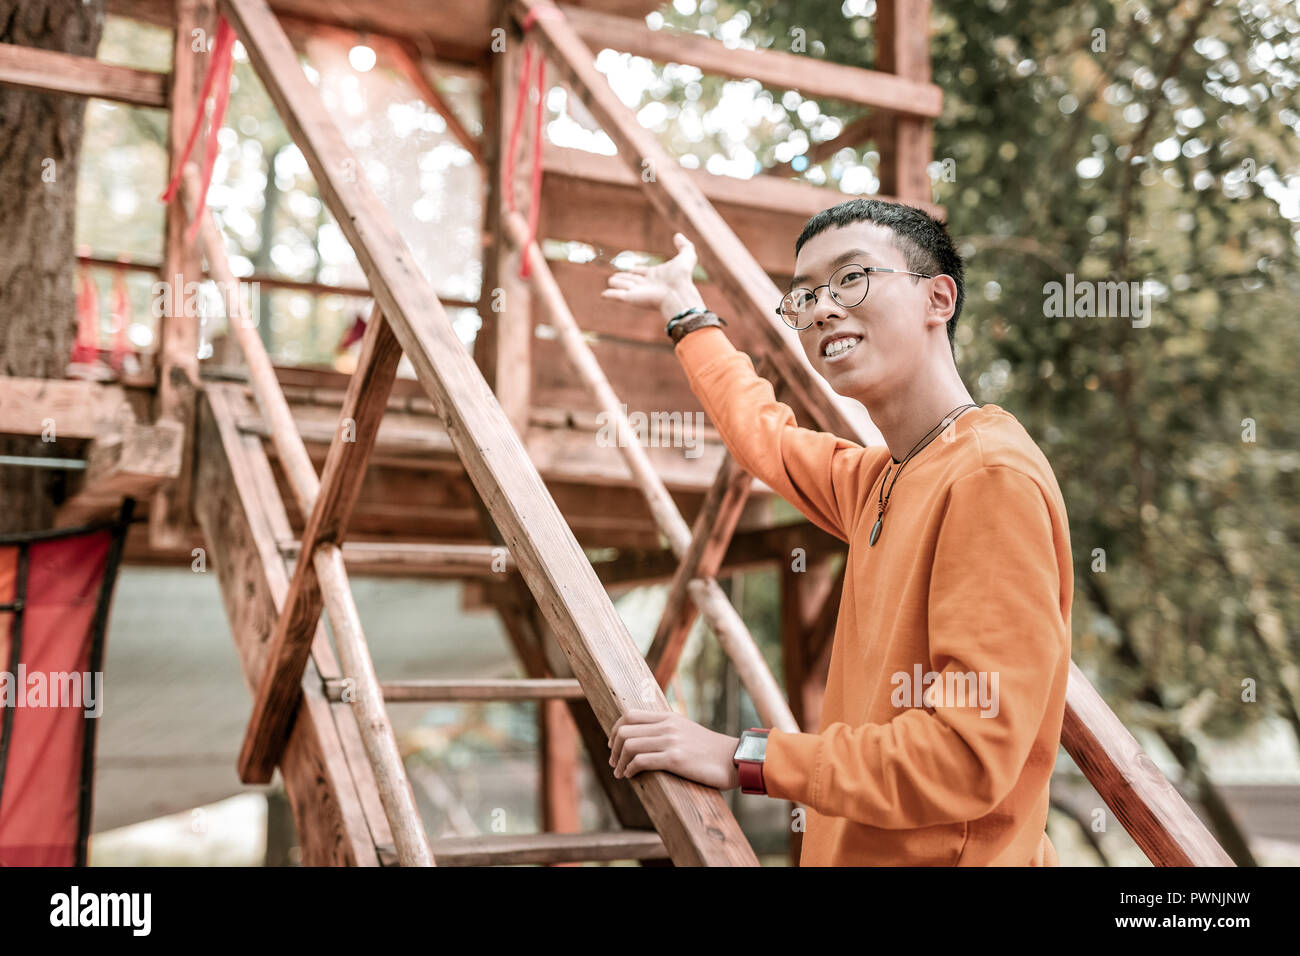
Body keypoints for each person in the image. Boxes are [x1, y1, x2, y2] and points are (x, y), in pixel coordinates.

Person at [601, 198, 1072, 866]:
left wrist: (743, 755)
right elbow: (764, 436)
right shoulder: (885, 477)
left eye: (852, 279)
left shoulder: (989, 478)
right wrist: (687, 312)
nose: (822, 308)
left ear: (939, 298)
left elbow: (965, 758)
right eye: (804, 296)